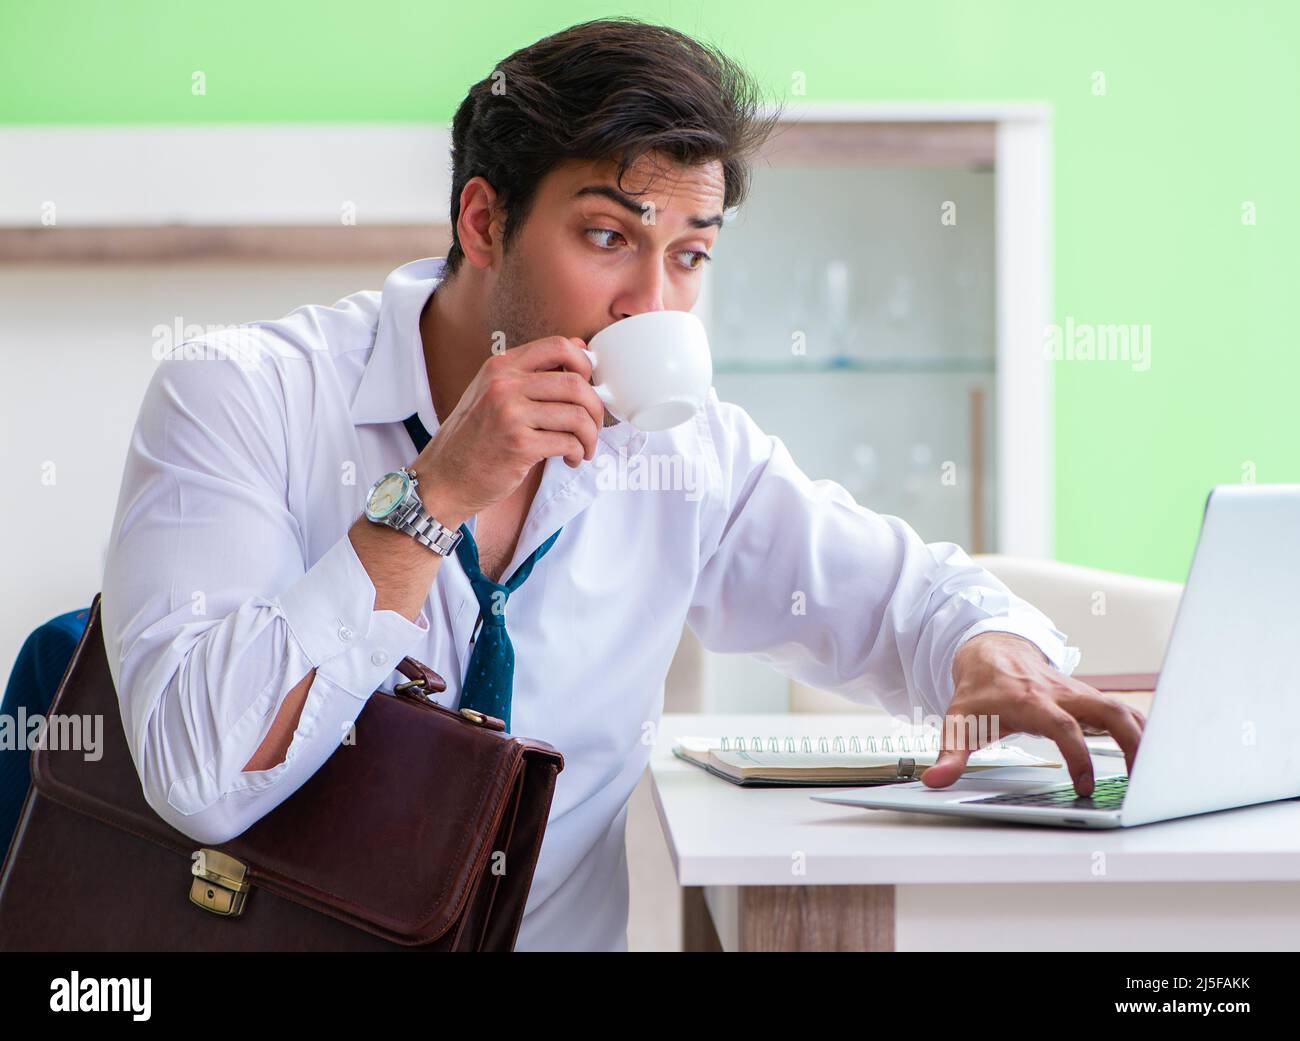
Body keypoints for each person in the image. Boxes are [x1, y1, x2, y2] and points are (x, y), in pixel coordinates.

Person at [99, 17, 1143, 951]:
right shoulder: (240, 396)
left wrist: (990, 654)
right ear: (482, 222)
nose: (653, 303)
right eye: (609, 237)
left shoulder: (680, 453)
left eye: (689, 255)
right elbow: (200, 779)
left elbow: (909, 597)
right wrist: (434, 497)